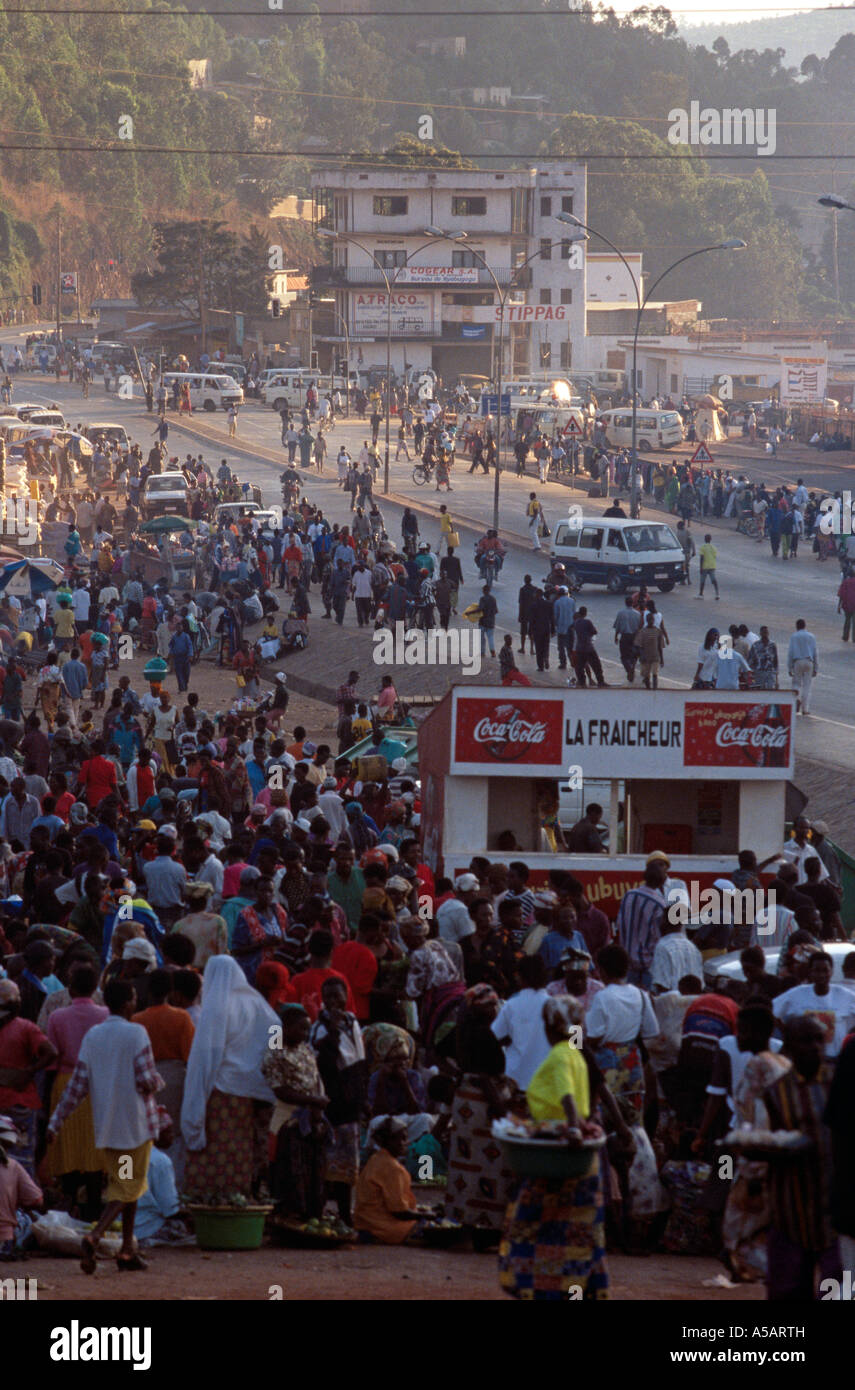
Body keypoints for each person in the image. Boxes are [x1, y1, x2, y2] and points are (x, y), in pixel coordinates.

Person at [47, 979, 163, 1274]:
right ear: (126, 1003)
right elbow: (147, 1080)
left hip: (109, 1127)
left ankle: (127, 1249)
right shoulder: (136, 1033)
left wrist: (56, 1121)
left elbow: (77, 1086)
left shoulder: (94, 1036)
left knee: (126, 1186)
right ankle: (96, 1235)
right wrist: (161, 1086)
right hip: (134, 1126)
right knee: (127, 1187)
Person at [498, 996, 610, 1301]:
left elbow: (566, 1095)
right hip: (578, 1156)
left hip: (556, 1154)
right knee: (579, 1232)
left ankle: (540, 1287)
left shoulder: (561, 1055)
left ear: (548, 1027)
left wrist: (572, 1127)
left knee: (529, 1225)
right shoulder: (575, 1053)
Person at [762, 1017, 840, 1301]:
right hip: (790, 1209)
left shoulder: (840, 1082)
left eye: (819, 1040)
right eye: (807, 1041)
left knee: (838, 1293)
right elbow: (761, 1142)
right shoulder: (775, 1092)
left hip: (838, 1211)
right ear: (790, 1047)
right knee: (787, 1291)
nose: (816, 1048)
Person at [445, 985, 515, 1245]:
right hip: (483, 1105)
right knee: (488, 1165)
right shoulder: (483, 1034)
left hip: (466, 1102)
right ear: (478, 1008)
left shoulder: (464, 1031)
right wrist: (500, 1108)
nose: (495, 1009)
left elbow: (439, 1051)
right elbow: (486, 1077)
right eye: (489, 1005)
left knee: (465, 1161)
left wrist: (459, 1076)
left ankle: (464, 1226)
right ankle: (480, 1228)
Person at [262, 1002, 329, 1221]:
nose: (305, 1034)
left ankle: (309, 1214)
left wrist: (317, 1105)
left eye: (307, 1029)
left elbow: (315, 1078)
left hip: (311, 1117)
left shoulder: (305, 1049)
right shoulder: (275, 1052)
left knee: (312, 1168)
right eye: (301, 1028)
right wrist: (312, 1100)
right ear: (286, 1026)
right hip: (286, 1118)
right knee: (287, 1169)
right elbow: (280, 1089)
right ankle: (288, 1215)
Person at [353, 1115, 417, 1244]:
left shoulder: (375, 1159)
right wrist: (427, 1216)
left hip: (364, 1223)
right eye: (401, 1139)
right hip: (383, 1227)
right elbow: (398, 1211)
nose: (404, 1143)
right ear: (388, 1141)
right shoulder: (392, 1167)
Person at [490, 956, 551, 1088]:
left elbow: (494, 1037)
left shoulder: (512, 1005)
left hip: (515, 1078)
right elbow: (576, 1034)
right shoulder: (557, 1005)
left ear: (520, 977)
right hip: (547, 1079)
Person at [787, 618, 818, 717]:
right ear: (805, 626)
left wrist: (789, 667)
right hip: (809, 661)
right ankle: (805, 709)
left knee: (796, 684)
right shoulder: (811, 636)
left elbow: (790, 653)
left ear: (797, 626)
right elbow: (815, 652)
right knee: (807, 686)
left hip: (798, 661)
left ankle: (795, 702)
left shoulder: (794, 636)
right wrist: (816, 668)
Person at [696, 533, 719, 599]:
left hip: (705, 566)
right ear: (710, 539)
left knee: (702, 581)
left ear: (704, 539)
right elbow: (714, 556)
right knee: (714, 580)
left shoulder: (703, 547)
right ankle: (717, 594)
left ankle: (701, 594)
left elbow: (701, 558)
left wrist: (700, 567)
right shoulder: (714, 547)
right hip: (712, 566)